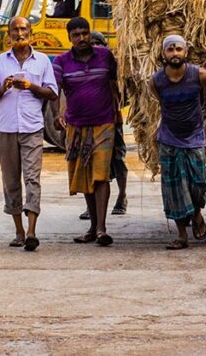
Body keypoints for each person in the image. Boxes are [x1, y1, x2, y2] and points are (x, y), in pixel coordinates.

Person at [0, 16, 58, 252]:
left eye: (23, 29)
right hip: (6, 129)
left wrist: (30, 86)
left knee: (32, 178)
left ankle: (32, 231)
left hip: (32, 128)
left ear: (30, 32)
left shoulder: (42, 61)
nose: (19, 33)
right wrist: (3, 87)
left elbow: (52, 93)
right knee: (11, 181)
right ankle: (19, 232)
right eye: (14, 30)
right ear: (9, 35)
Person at [53, 17, 121, 246]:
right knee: (85, 177)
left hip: (104, 123)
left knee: (101, 176)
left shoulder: (105, 56)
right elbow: (56, 90)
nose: (81, 38)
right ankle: (93, 227)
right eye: (76, 35)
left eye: (85, 33)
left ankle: (101, 228)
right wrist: (58, 114)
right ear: (69, 37)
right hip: (76, 126)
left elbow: (115, 84)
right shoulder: (61, 61)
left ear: (90, 34)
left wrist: (118, 112)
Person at [150, 35, 206, 250]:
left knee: (198, 184)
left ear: (186, 52)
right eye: (170, 49)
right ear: (163, 54)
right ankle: (182, 235)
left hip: (194, 138)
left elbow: (203, 99)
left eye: (179, 49)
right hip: (169, 139)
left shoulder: (200, 75)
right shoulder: (156, 81)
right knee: (174, 187)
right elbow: (161, 103)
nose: (175, 53)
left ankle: (196, 213)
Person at [78, 30, 128, 219]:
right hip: (88, 121)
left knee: (118, 159)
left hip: (112, 119)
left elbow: (123, 91)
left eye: (97, 44)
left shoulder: (111, 64)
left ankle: (122, 197)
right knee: (90, 162)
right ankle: (92, 206)